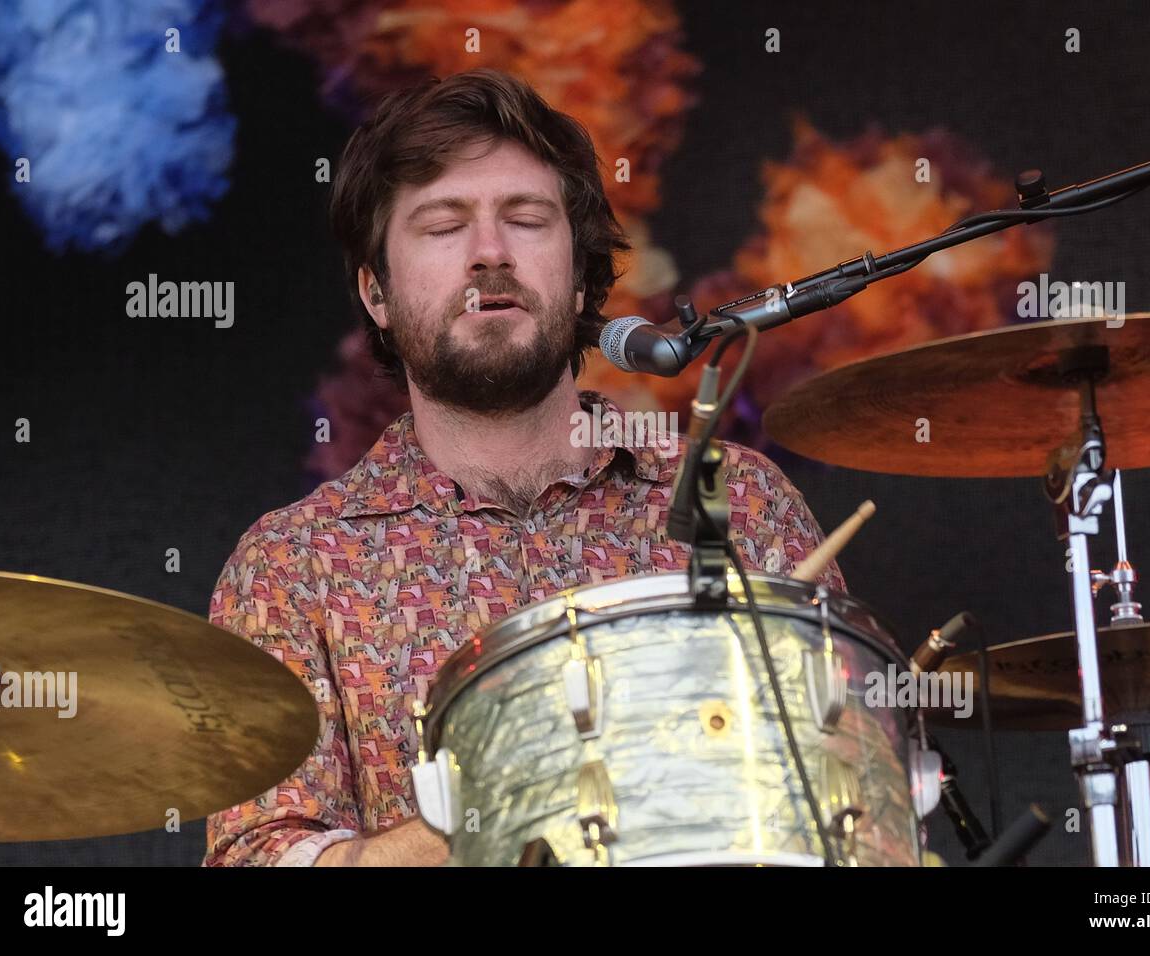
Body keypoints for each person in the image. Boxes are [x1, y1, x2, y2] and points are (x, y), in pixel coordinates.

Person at [203, 68, 845, 867]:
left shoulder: (736, 498)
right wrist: (531, 788)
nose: (490, 253)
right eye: (443, 225)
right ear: (376, 292)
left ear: (580, 277)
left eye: (527, 219)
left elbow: (849, 792)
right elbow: (262, 857)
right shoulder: (293, 567)